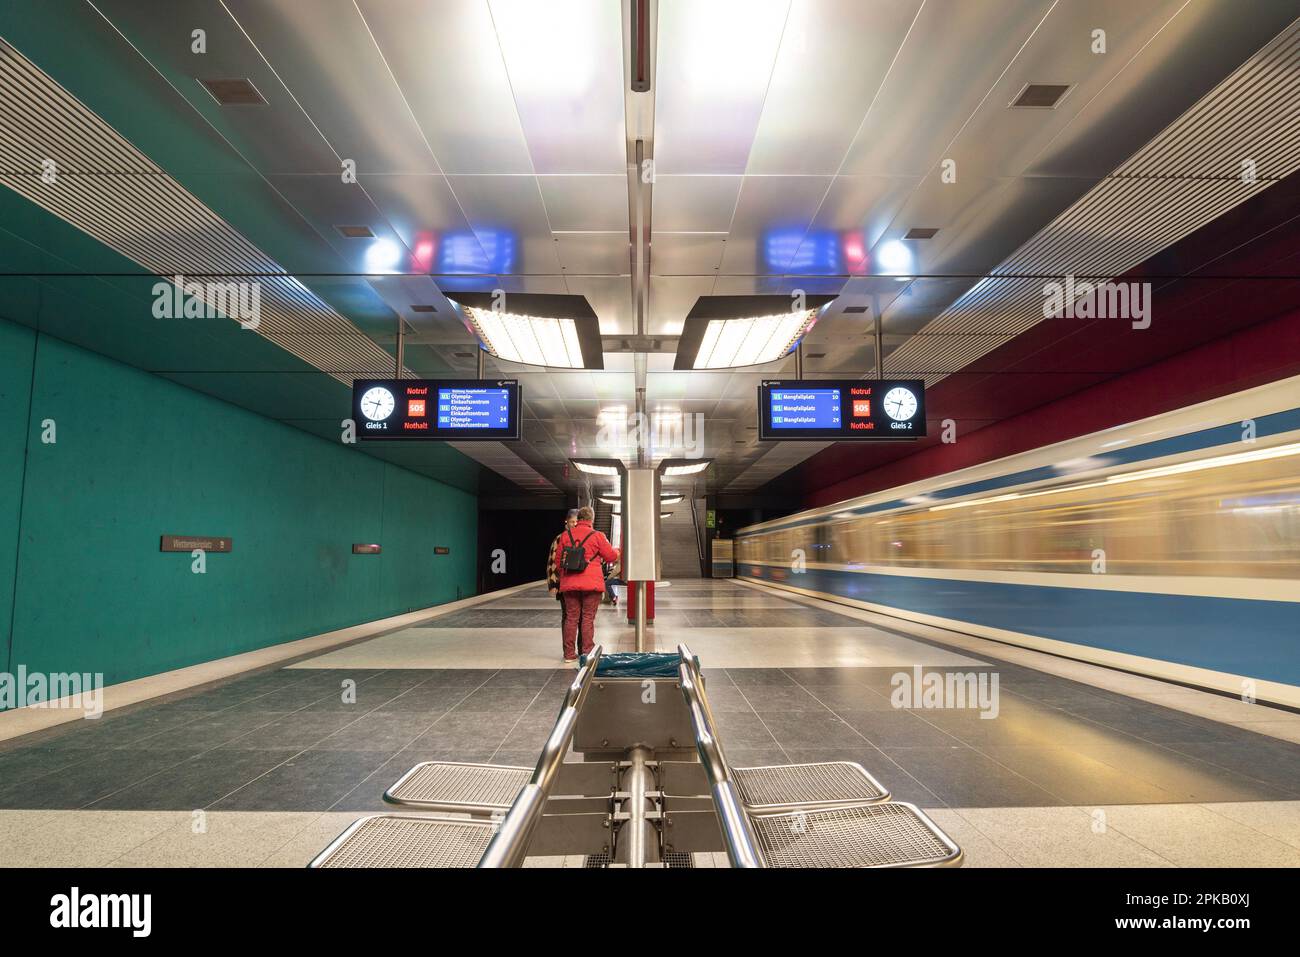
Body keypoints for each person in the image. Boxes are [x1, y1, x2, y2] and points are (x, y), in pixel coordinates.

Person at [553, 506, 620, 663]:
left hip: (569, 583)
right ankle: (587, 652)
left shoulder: (565, 535)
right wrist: (616, 552)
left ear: (579, 518)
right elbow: (610, 556)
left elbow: (558, 561)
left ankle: (569, 654)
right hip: (591, 583)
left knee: (571, 618)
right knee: (588, 618)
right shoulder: (598, 536)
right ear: (591, 519)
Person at [547, 509, 579, 633]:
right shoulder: (560, 539)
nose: (574, 524)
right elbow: (552, 561)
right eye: (572, 522)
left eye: (577, 522)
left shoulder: (579, 536)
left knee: (573, 617)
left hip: (576, 582)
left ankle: (577, 650)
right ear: (566, 522)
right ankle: (569, 650)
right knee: (567, 616)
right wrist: (553, 584)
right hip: (564, 583)